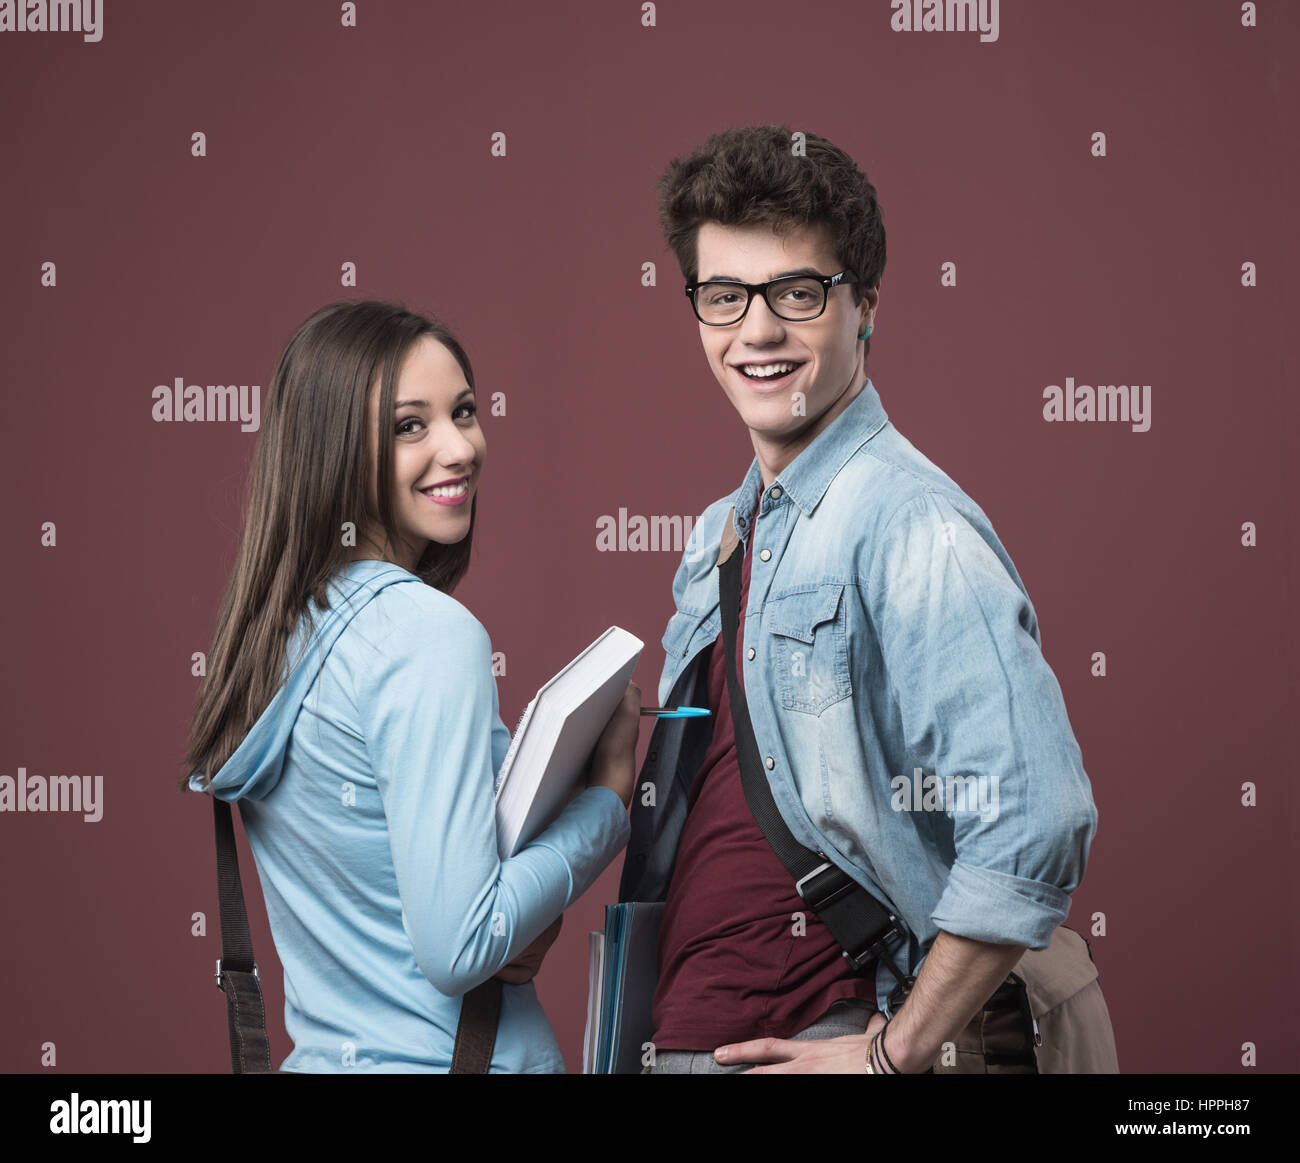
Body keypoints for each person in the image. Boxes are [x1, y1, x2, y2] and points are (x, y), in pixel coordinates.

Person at [620, 125, 1107, 1074]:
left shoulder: (911, 524)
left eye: (798, 292)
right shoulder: (723, 528)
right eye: (724, 297)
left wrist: (892, 1054)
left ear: (866, 305)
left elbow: (1039, 813)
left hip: (829, 1033)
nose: (756, 332)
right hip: (684, 1032)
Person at [181, 300, 639, 1072]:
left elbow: (401, 901)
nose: (460, 447)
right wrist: (608, 799)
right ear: (334, 451)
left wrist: (521, 911)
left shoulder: (278, 639)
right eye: (409, 426)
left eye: (464, 411)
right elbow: (462, 943)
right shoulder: (425, 635)